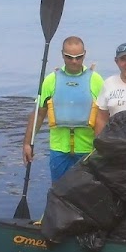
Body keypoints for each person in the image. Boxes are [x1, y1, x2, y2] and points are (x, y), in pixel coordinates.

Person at [21, 36, 105, 182]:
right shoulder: (50, 80)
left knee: (87, 195)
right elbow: (38, 115)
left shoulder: (96, 80)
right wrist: (27, 143)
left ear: (84, 54)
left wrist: (105, 149)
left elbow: (105, 117)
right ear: (62, 54)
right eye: (69, 57)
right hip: (59, 149)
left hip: (88, 149)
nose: (74, 61)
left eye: (78, 57)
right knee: (59, 194)